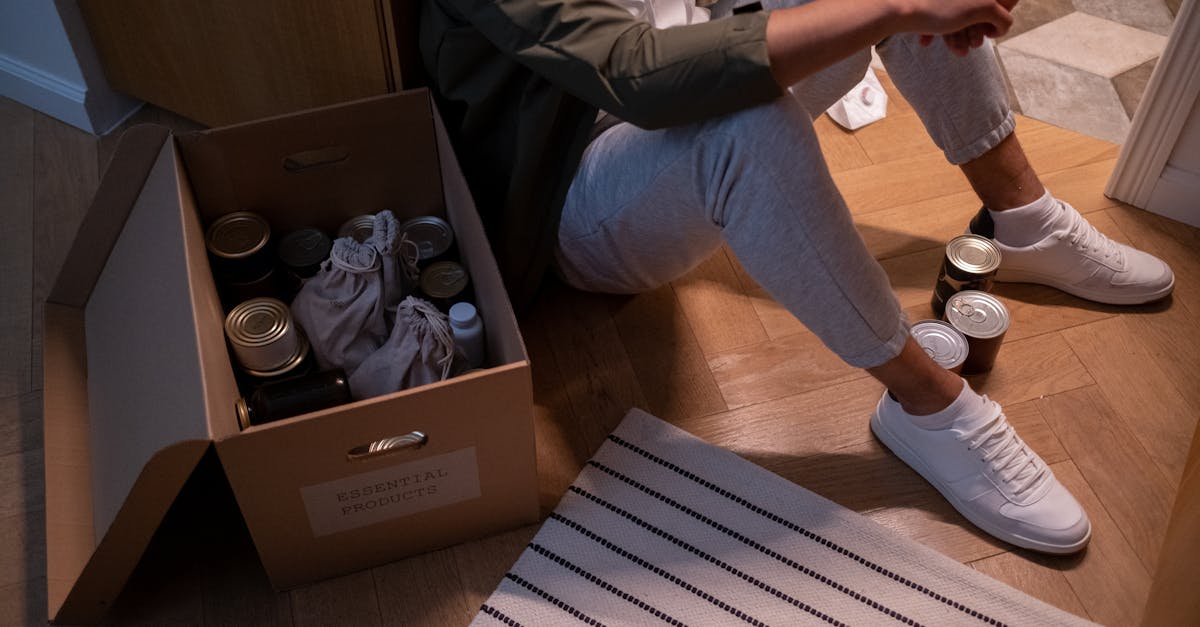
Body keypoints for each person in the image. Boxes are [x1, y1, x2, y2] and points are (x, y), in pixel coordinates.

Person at [417, 0, 1175, 555]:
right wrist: (897, 9)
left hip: (686, 69)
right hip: (575, 189)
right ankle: (927, 405)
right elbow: (636, 74)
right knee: (745, 126)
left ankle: (1028, 222)